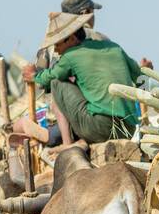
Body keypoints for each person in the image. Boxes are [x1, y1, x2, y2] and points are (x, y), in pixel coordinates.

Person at [20, 11, 143, 146]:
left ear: (72, 38)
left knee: (57, 82)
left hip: (99, 128)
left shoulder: (70, 56)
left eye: (58, 44)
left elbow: (49, 78)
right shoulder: (114, 48)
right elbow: (140, 76)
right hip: (129, 129)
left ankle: (67, 144)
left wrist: (34, 76)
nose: (56, 50)